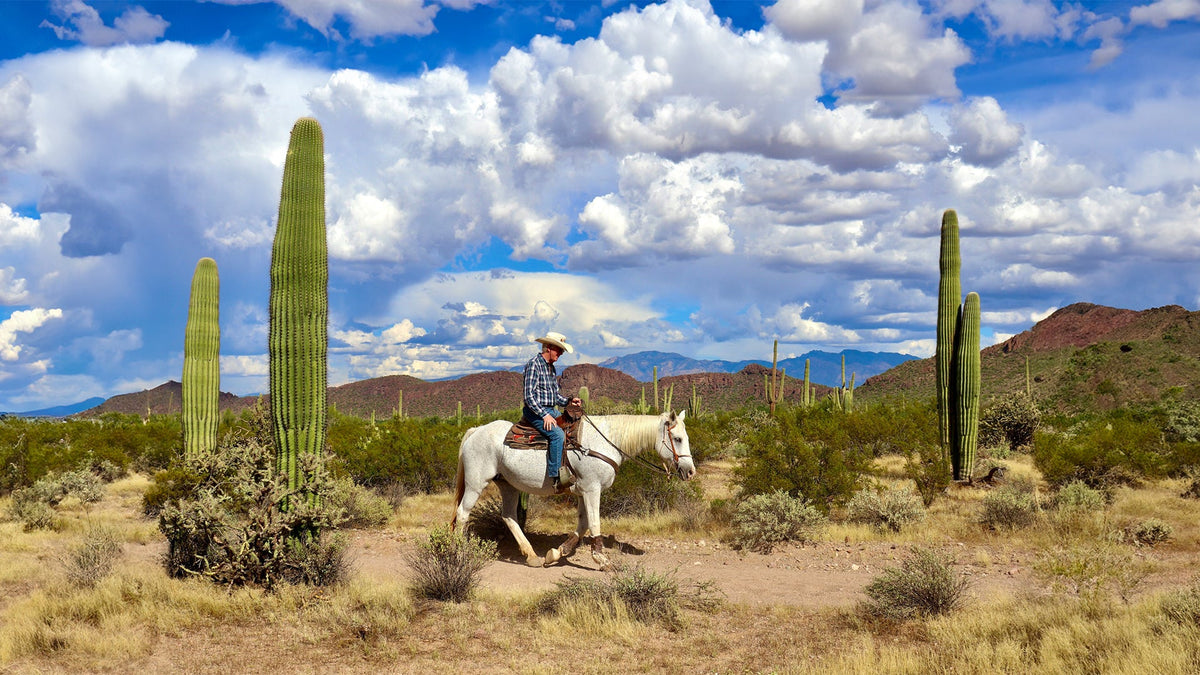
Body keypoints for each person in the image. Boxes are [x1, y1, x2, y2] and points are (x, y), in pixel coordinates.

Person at [523, 331, 582, 491]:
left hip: (550, 410)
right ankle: (557, 478)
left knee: (574, 424)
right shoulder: (534, 365)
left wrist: (569, 402)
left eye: (562, 350)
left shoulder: (551, 368)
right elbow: (529, 396)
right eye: (559, 349)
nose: (561, 353)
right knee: (557, 435)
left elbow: (555, 396)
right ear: (548, 347)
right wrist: (545, 415)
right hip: (534, 412)